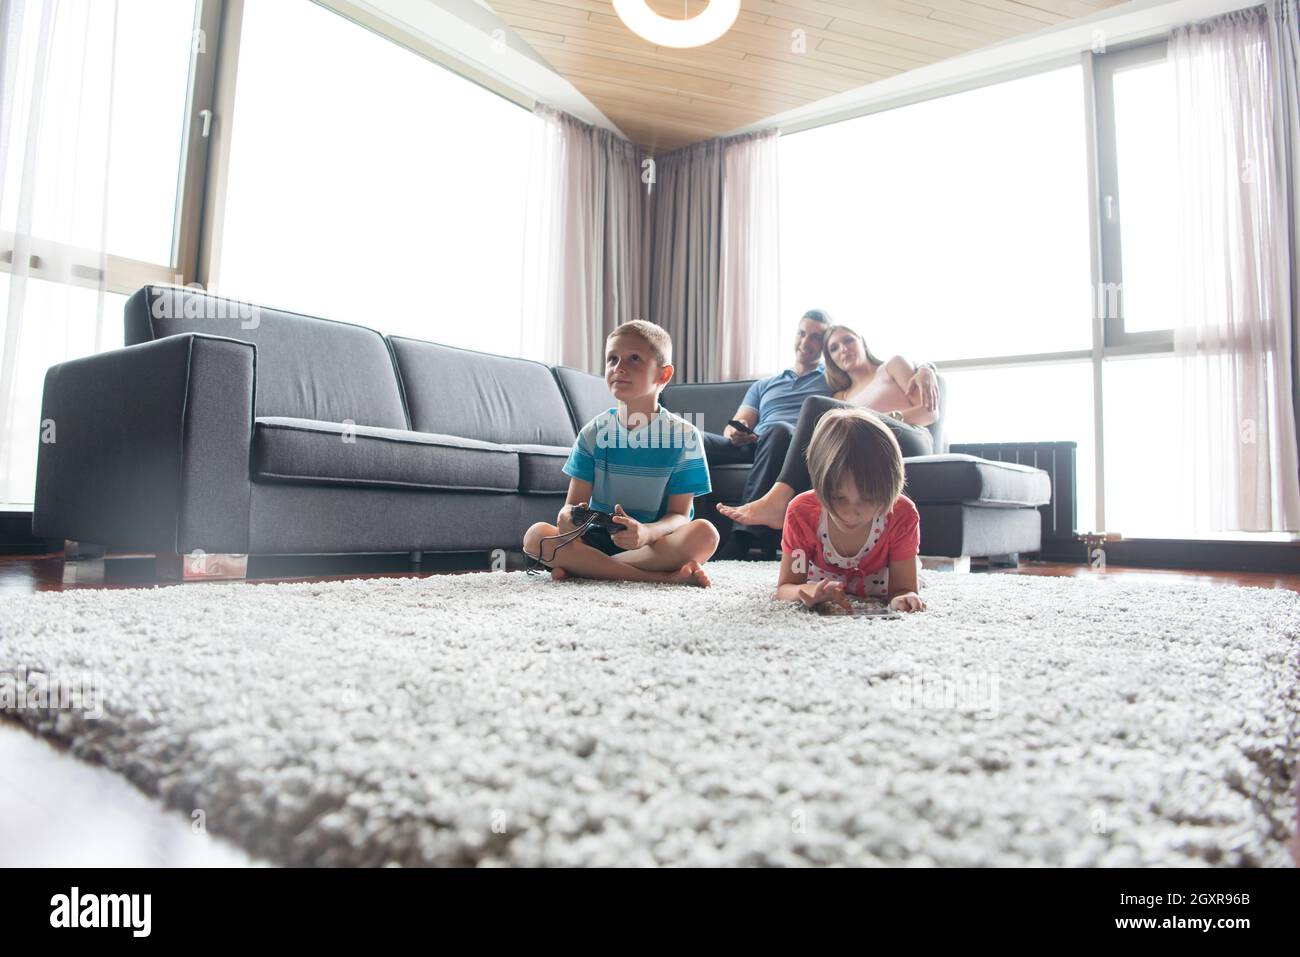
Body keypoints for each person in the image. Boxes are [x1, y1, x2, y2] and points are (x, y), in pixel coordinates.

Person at [522, 320, 719, 586]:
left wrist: (647, 533)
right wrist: (566, 517)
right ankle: (660, 578)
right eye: (612, 359)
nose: (619, 368)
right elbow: (573, 505)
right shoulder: (592, 433)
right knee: (536, 536)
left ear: (663, 375)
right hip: (597, 539)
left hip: (653, 543)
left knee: (706, 534)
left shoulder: (685, 436)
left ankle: (583, 569)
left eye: (634, 358)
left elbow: (680, 515)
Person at [719, 324, 940, 532]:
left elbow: (929, 412)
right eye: (834, 348)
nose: (843, 349)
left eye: (848, 341)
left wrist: (926, 368)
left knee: (816, 405)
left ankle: (778, 498)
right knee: (825, 418)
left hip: (910, 436)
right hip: (872, 450)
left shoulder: (891, 366)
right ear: (830, 359)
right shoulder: (842, 395)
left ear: (862, 341)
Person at [775, 407, 926, 613]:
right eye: (838, 498)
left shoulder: (902, 514)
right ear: (819, 484)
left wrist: (904, 597)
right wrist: (806, 592)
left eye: (869, 499)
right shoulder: (801, 513)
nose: (852, 512)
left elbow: (903, 589)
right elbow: (786, 588)